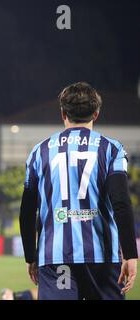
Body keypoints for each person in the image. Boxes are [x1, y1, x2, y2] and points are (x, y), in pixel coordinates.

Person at [19, 82, 138, 300]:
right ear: (96, 113)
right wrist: (130, 254)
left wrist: (30, 256)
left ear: (63, 113)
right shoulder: (111, 149)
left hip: (55, 257)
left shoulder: (39, 152)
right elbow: (121, 202)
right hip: (102, 257)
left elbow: (27, 211)